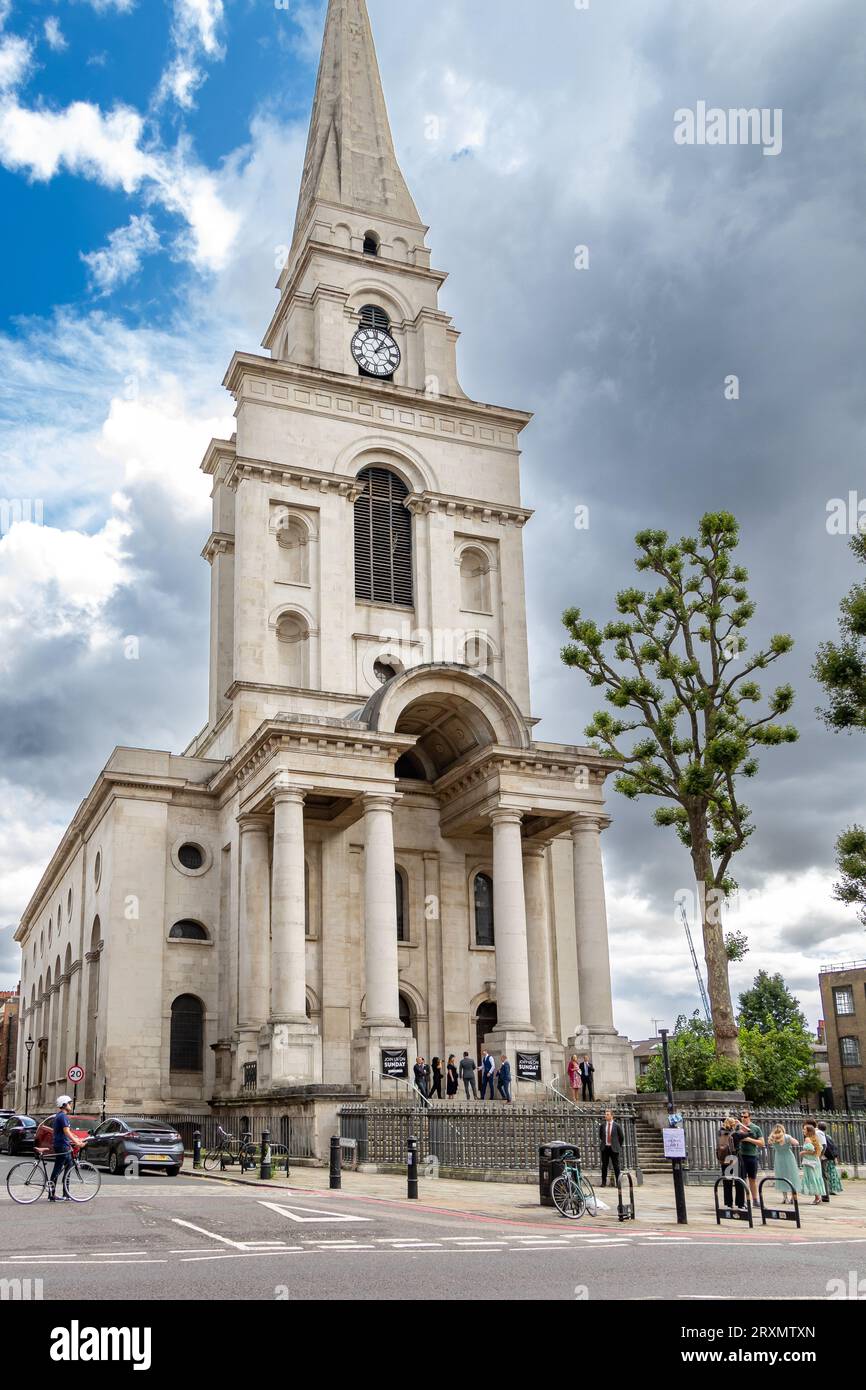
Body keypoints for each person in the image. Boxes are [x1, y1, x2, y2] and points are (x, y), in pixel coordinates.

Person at [48, 1096, 83, 1203]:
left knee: (69, 1165)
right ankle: (52, 1194)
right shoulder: (63, 1116)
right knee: (58, 1168)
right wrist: (76, 1142)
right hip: (62, 1145)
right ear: (64, 1105)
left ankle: (65, 1193)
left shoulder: (60, 1116)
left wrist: (77, 1138)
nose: (71, 1105)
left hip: (62, 1144)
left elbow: (67, 1131)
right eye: (69, 1103)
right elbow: (66, 1132)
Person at [735, 1109, 765, 1205]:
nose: (743, 1119)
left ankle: (755, 1199)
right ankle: (743, 1200)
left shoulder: (755, 1128)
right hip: (741, 1156)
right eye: (742, 1117)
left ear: (749, 1117)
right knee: (742, 1179)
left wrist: (749, 1139)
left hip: (752, 1156)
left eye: (745, 1117)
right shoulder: (738, 1128)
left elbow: (761, 1143)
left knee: (752, 1178)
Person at [768, 1124, 801, 1204]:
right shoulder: (787, 1137)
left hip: (779, 1158)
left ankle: (785, 1197)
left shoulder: (772, 1137)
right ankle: (793, 1197)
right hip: (788, 1157)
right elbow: (796, 1143)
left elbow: (769, 1143)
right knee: (792, 1176)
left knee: (781, 1176)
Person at [717, 1115, 744, 1209]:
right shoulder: (736, 1134)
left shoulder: (721, 1132)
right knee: (739, 1181)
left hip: (725, 1159)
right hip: (734, 1158)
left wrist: (727, 1122)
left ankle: (728, 1204)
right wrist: (741, 1125)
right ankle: (740, 1203)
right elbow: (750, 1133)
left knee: (727, 1181)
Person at [800, 1124, 826, 1205]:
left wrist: (803, 1152)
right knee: (816, 1177)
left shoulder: (807, 1139)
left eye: (804, 1129)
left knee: (812, 1178)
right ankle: (818, 1197)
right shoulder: (814, 1138)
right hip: (815, 1161)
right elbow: (820, 1148)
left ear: (808, 1131)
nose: (803, 1130)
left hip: (810, 1161)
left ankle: (817, 1198)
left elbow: (812, 1150)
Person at [598, 1109, 624, 1188]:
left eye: (608, 1114)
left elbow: (621, 1137)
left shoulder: (617, 1126)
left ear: (612, 1116)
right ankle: (603, 1182)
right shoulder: (603, 1125)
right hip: (605, 1148)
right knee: (604, 1166)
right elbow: (600, 1136)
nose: (606, 1115)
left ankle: (618, 1182)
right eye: (605, 1114)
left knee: (616, 1166)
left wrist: (617, 1145)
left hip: (614, 1148)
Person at [817, 1122, 843, 1195]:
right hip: (830, 1157)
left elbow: (826, 1147)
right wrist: (835, 1158)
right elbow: (833, 1147)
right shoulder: (827, 1136)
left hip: (825, 1157)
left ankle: (828, 1190)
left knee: (826, 1174)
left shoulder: (821, 1135)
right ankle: (833, 1189)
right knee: (831, 1174)